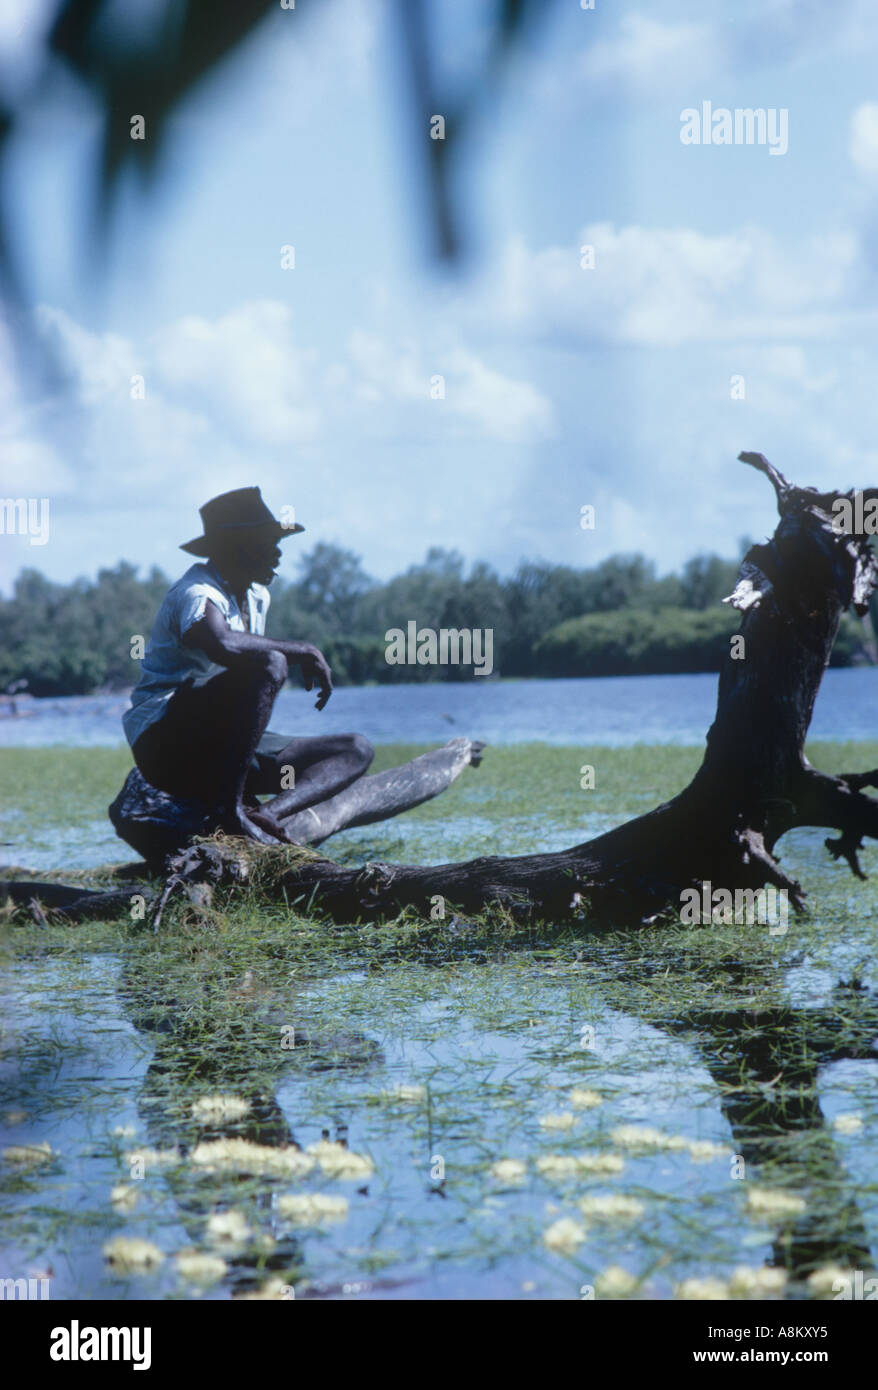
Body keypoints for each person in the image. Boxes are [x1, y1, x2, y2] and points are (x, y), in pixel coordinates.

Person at [122, 487, 373, 844]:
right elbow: (222, 643)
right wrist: (299, 649)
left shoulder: (257, 596)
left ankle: (261, 814)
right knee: (268, 661)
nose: (278, 552)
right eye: (266, 542)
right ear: (235, 547)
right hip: (166, 747)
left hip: (218, 753)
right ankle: (229, 808)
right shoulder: (196, 592)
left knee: (355, 749)